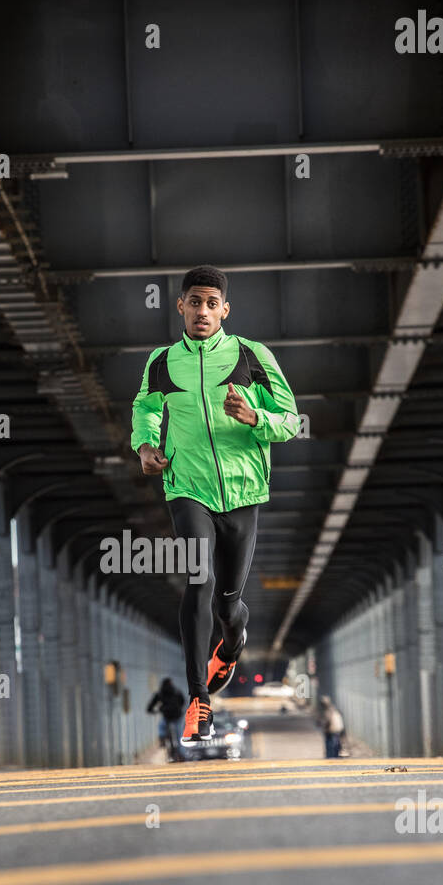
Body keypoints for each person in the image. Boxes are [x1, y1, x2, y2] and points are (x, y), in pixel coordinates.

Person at [132, 266, 300, 743]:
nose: (202, 311)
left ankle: (231, 640)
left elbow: (290, 420)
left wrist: (254, 417)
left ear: (224, 310)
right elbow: (144, 410)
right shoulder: (161, 362)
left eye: (211, 303)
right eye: (194, 302)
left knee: (228, 602)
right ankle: (199, 700)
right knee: (198, 580)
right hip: (186, 487)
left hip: (244, 492)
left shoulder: (251, 356)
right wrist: (145, 446)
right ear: (181, 307)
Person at [146, 678, 185, 760]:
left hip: (167, 716)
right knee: (179, 736)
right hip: (177, 716)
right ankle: (182, 754)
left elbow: (151, 705)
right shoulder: (177, 691)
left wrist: (152, 710)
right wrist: (180, 708)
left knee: (161, 727)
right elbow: (183, 701)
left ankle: (162, 740)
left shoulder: (160, 693)